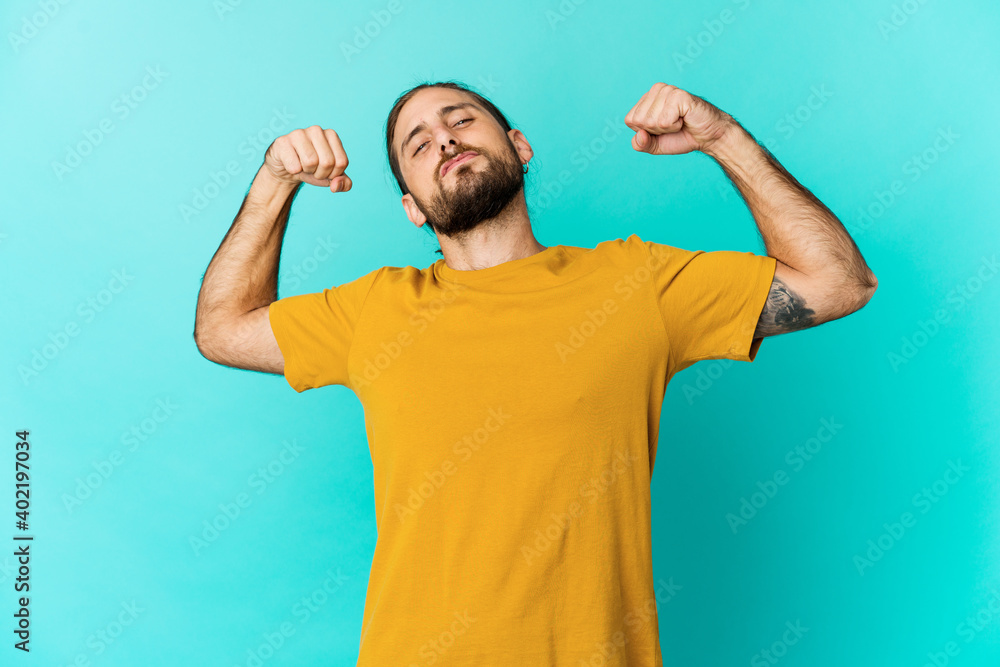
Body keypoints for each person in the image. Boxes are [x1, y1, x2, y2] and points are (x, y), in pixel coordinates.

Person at [193, 80, 876, 665]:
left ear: (519, 146)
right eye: (419, 143)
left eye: (461, 120)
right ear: (412, 206)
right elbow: (222, 329)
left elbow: (841, 282)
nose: (446, 140)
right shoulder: (374, 308)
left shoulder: (636, 283)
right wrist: (274, 181)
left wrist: (723, 136)